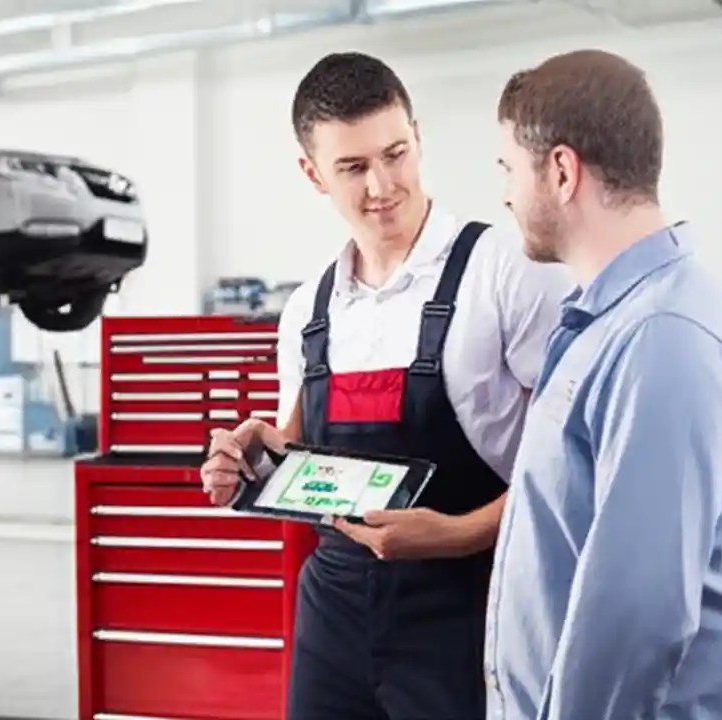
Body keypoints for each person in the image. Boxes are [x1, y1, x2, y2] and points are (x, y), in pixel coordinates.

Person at [200, 52, 573, 720]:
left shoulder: (509, 271)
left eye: (396, 153)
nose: (382, 184)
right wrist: (261, 456)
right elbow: (303, 446)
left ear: (418, 136)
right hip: (335, 612)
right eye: (352, 167)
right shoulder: (308, 308)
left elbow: (575, 461)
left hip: (469, 604)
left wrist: (456, 535)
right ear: (312, 173)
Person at [483, 49, 722, 720]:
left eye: (507, 168)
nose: (502, 193)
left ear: (561, 171)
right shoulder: (608, 324)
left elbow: (635, 618)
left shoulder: (666, 337)